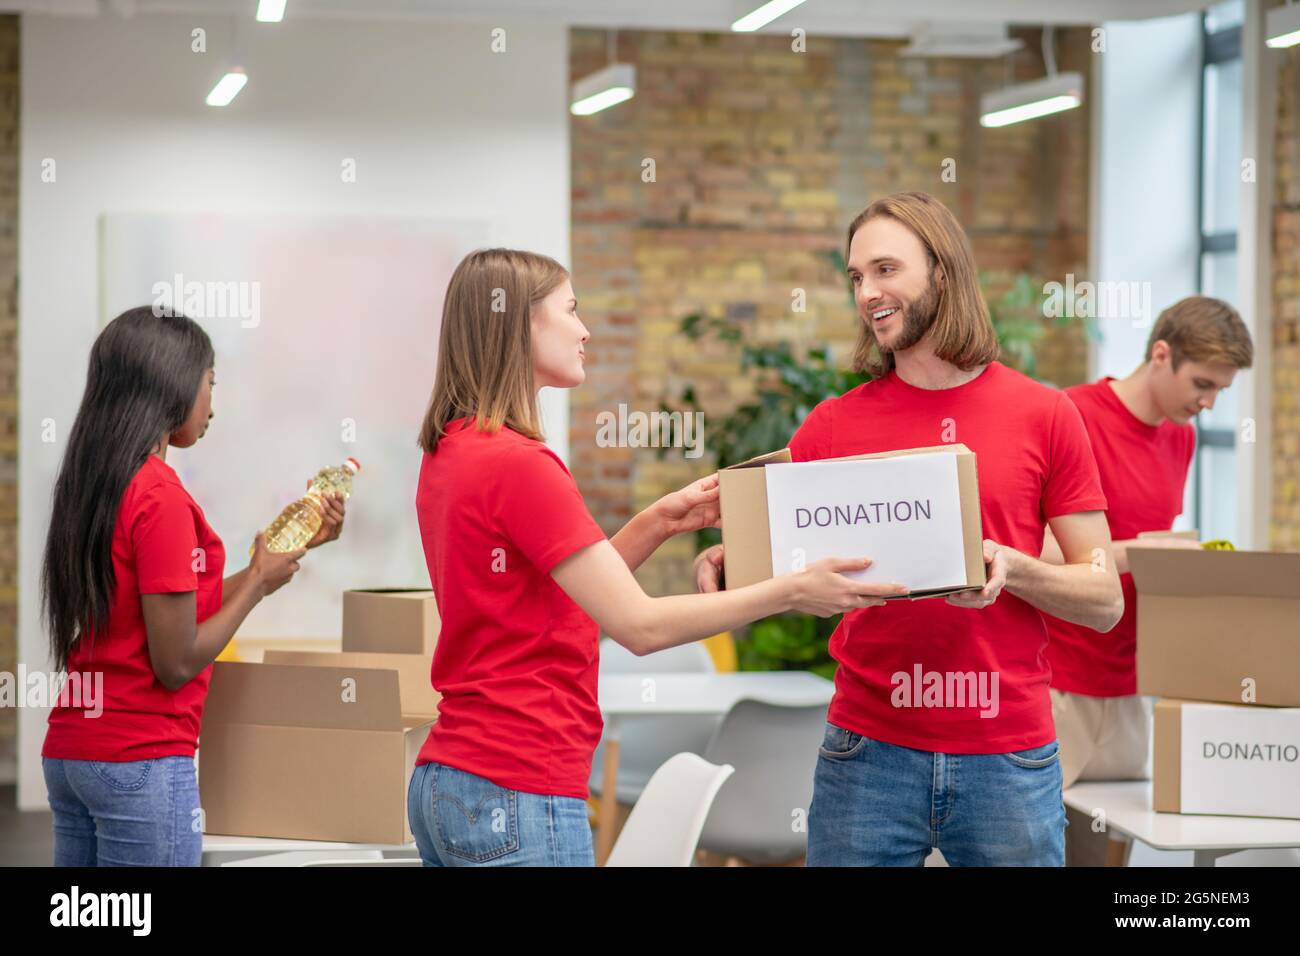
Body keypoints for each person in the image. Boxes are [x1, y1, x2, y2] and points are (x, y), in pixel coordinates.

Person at [407, 248, 898, 866]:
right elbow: (637, 626)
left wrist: (661, 520)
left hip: (450, 779)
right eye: (571, 310)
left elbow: (559, 602)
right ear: (520, 324)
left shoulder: (453, 450)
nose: (584, 330)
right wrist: (793, 589)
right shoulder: (520, 465)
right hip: (519, 783)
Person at [695, 192, 1124, 866]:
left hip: (1008, 754)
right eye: (856, 277)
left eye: (886, 270)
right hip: (868, 752)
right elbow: (770, 560)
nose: (868, 292)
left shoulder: (1045, 415)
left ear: (943, 272)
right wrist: (729, 565)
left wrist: (1014, 567)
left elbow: (1105, 599)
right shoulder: (833, 426)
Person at [40, 306, 346, 866]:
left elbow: (166, 610)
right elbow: (175, 661)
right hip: (140, 761)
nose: (213, 405)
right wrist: (255, 582)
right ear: (172, 385)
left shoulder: (100, 482)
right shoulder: (160, 497)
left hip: (73, 754)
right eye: (210, 383)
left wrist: (267, 567)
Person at [1040, 295, 1253, 865]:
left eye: (1220, 392)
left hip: (1132, 687)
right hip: (1057, 682)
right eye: (1203, 384)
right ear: (1162, 354)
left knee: (1106, 861)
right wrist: (1141, 552)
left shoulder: (1180, 437)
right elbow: (1031, 553)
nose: (1209, 403)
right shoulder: (1071, 416)